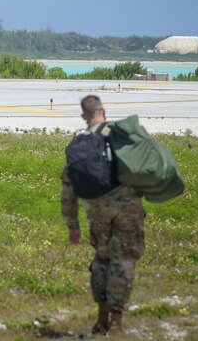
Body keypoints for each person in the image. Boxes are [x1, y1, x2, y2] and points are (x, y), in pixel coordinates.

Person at [61, 95, 145, 335]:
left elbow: (68, 190)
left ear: (83, 116)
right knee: (123, 262)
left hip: (96, 210)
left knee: (101, 260)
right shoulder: (119, 137)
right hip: (126, 208)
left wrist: (72, 225)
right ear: (103, 112)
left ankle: (101, 318)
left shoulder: (79, 144)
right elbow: (144, 168)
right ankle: (116, 322)